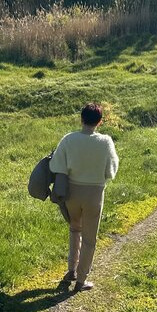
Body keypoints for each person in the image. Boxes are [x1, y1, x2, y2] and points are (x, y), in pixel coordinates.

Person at [50, 102, 119, 292]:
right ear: (100, 121)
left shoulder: (68, 139)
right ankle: (81, 280)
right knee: (90, 238)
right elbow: (111, 172)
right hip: (94, 194)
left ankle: (71, 270)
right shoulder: (105, 142)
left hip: (72, 193)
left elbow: (56, 166)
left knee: (74, 229)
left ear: (81, 119)